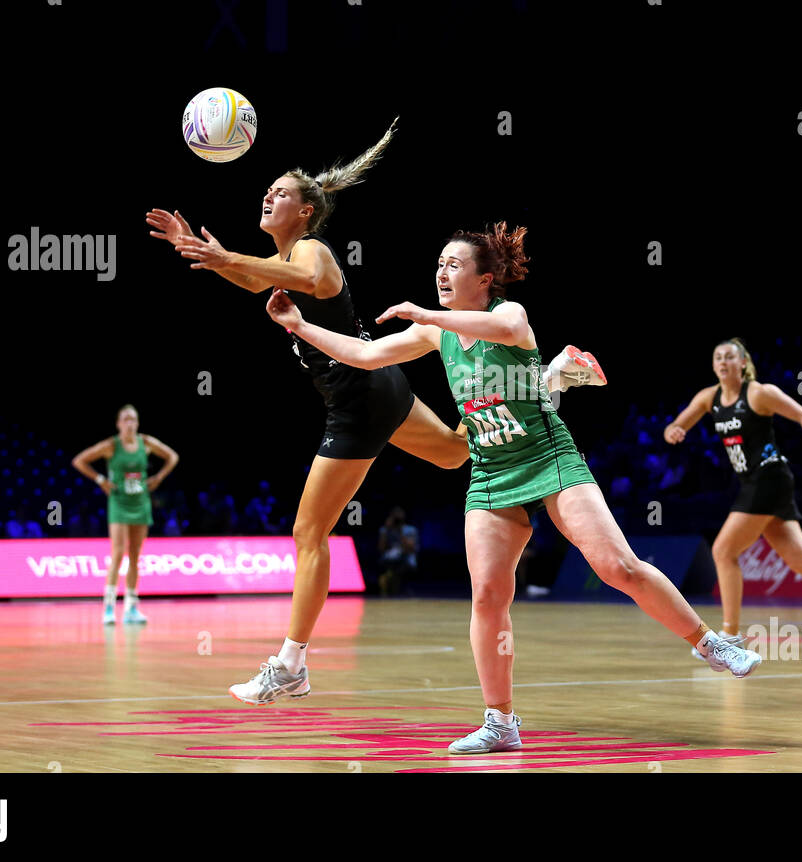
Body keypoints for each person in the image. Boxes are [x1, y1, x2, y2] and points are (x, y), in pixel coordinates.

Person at [146, 121, 604, 703]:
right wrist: (205, 256)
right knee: (456, 451)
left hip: (358, 399)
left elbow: (305, 276)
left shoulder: (311, 252)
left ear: (307, 211)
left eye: (282, 192)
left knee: (308, 531)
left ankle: (291, 663)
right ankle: (545, 380)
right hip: (380, 388)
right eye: (269, 190)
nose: (269, 196)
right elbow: (252, 277)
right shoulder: (282, 257)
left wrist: (223, 255)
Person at [266, 221, 763, 753]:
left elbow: (502, 331)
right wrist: (299, 326)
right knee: (487, 596)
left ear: (486, 279)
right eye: (439, 264)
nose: (441, 272)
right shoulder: (435, 332)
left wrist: (425, 313)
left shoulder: (508, 315)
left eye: (454, 265)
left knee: (617, 567)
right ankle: (500, 722)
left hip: (547, 457)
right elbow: (364, 356)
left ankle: (712, 644)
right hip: (489, 471)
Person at [663, 340, 802, 654]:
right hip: (754, 482)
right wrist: (673, 430)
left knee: (724, 551)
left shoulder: (758, 393)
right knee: (801, 561)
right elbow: (677, 423)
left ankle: (730, 635)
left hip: (769, 478)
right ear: (714, 365)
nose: (723, 361)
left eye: (729, 357)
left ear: (743, 363)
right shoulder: (708, 398)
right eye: (718, 357)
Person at [71, 404, 180, 624]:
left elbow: (173, 457)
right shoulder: (111, 446)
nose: (130, 423)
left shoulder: (146, 443)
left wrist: (158, 478)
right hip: (119, 502)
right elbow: (79, 461)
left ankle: (131, 607)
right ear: (119, 423)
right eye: (126, 419)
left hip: (140, 502)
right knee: (118, 553)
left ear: (137, 423)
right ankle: (109, 607)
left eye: (134, 419)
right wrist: (101, 480)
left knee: (136, 555)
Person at [377, 506, 419, 595]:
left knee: (402, 566)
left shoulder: (410, 529)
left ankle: (391, 581)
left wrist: (400, 532)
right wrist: (386, 530)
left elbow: (411, 549)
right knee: (385, 564)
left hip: (405, 557)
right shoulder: (385, 530)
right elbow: (381, 548)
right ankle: (389, 581)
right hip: (390, 558)